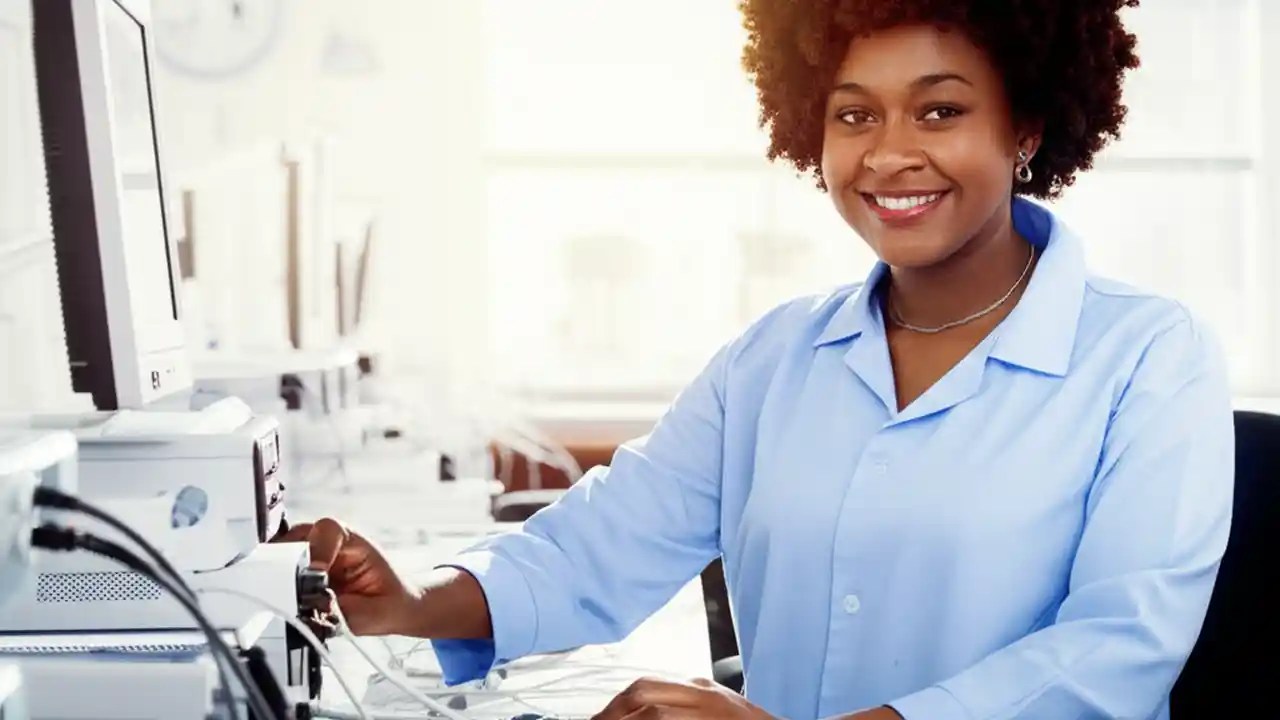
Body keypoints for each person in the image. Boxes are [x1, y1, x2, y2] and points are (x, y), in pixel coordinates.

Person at [283, 1, 1235, 718]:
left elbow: (1118, 650)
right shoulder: (777, 357)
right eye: (854, 116)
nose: (889, 155)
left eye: (939, 113)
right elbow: (599, 545)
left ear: (1025, 129)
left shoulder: (1148, 355)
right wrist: (410, 602)